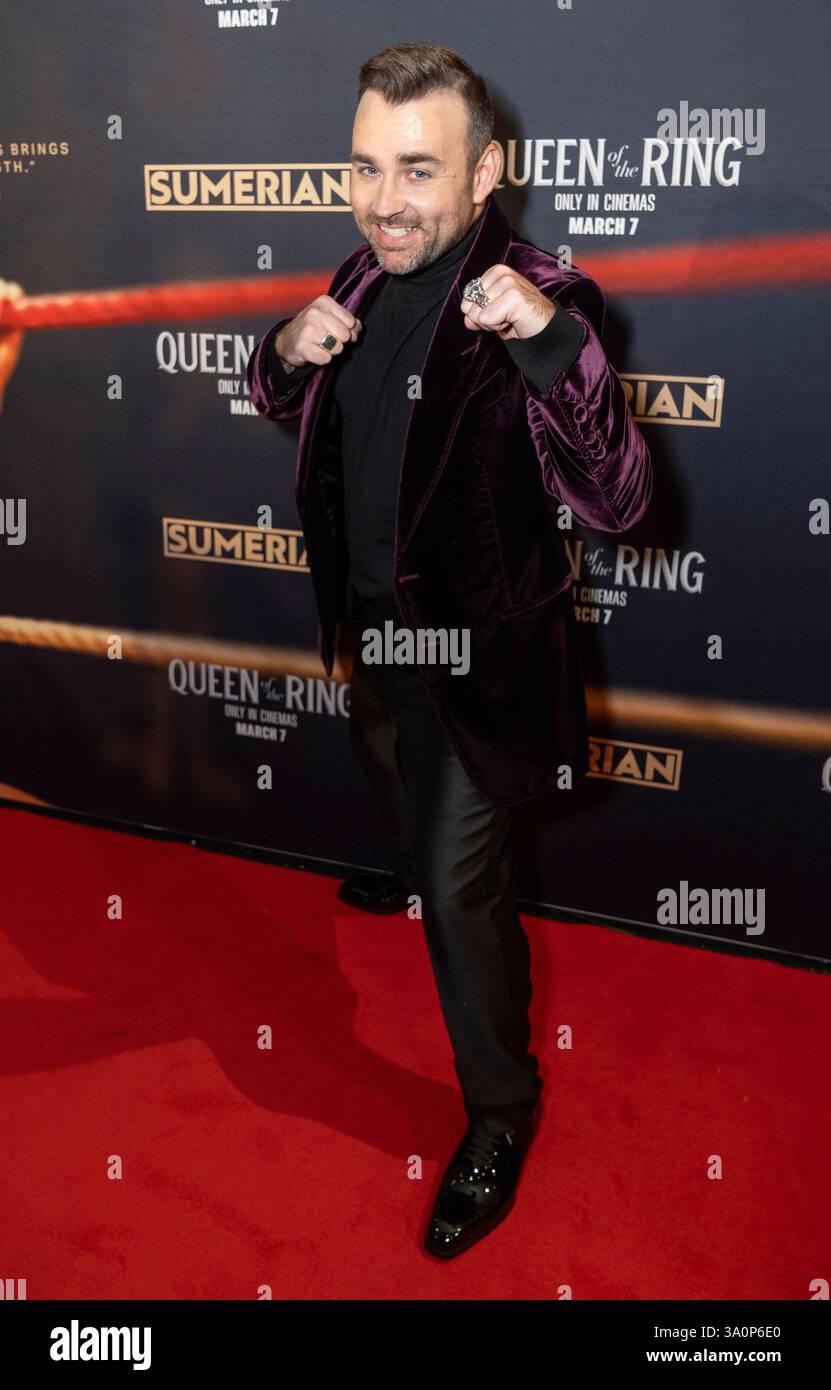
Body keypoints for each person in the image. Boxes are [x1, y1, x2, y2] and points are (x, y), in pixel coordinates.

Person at [247, 41, 652, 1259]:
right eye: (366, 167)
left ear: (488, 173)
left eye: (417, 170)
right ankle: (405, 855)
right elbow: (294, 407)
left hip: (477, 665)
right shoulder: (361, 282)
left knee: (461, 897)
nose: (384, 200)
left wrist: (546, 344)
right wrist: (281, 350)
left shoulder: (540, 301)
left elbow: (622, 499)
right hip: (372, 632)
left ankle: (500, 1107)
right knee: (391, 781)